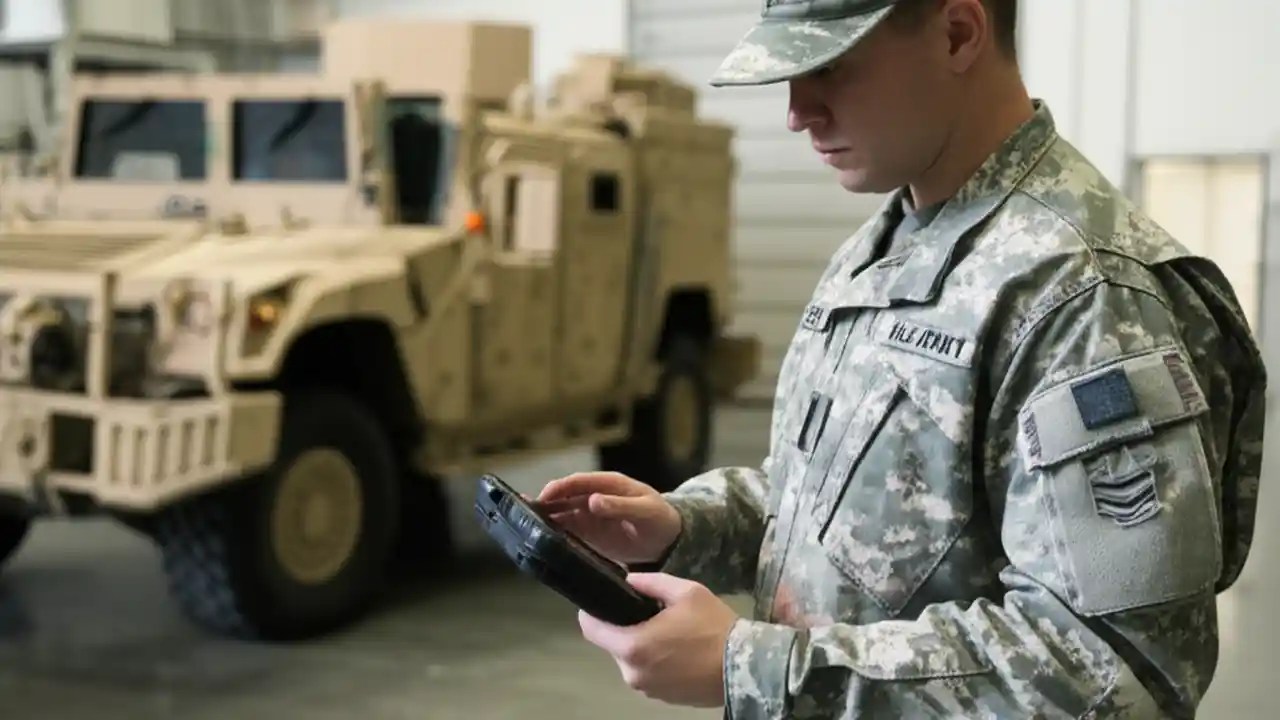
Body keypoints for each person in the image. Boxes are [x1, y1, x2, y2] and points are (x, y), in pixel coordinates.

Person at [536, 0, 1267, 716]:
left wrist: (762, 670)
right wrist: (683, 525)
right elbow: (848, 503)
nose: (798, 112)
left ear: (957, 34)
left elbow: (1118, 670)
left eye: (829, 68)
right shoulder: (884, 250)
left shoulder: (1083, 292)